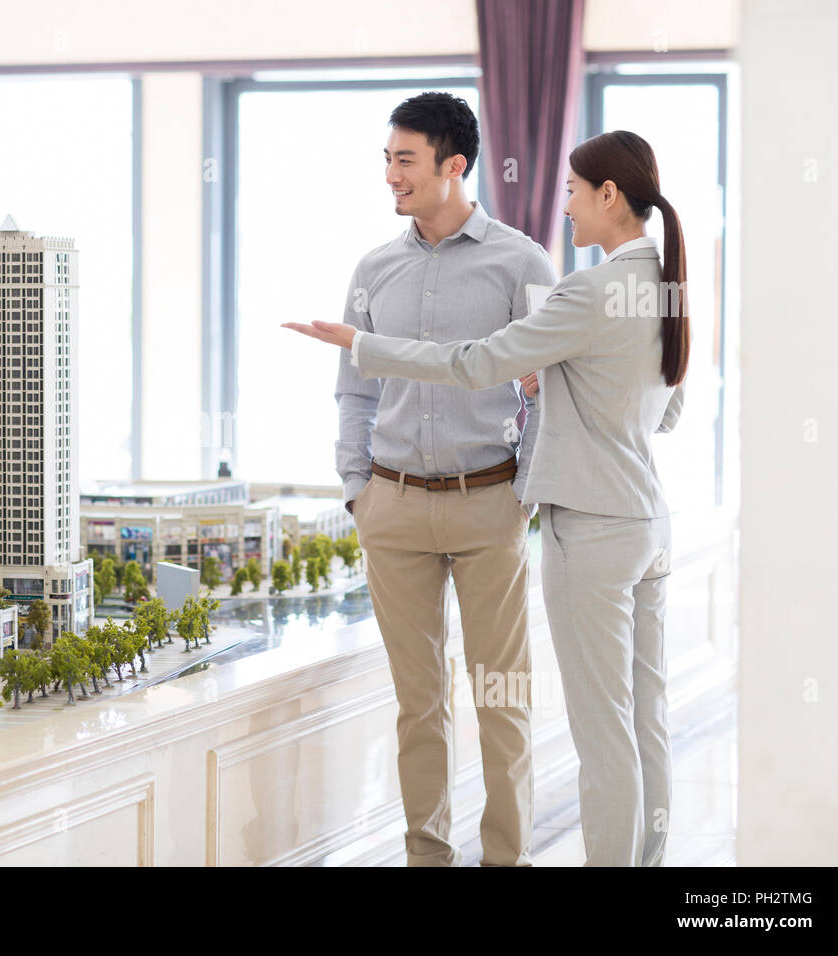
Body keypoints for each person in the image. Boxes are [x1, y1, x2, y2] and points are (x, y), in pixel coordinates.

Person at [285, 129, 688, 867]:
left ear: (607, 194)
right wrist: (358, 491)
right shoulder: (664, 284)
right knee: (642, 721)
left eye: (571, 190)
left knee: (597, 734)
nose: (562, 206)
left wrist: (359, 342)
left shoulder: (574, 283)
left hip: (576, 525)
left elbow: (477, 365)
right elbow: (664, 410)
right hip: (644, 519)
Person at [329, 91, 556, 867]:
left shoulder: (522, 262)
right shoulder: (374, 269)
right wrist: (358, 487)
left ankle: (507, 858)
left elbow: (551, 388)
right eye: (387, 159)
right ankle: (427, 856)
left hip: (488, 503)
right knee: (418, 705)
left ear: (453, 165)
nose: (391, 175)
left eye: (405, 160)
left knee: (501, 698)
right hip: (391, 508)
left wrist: (522, 490)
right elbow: (353, 390)